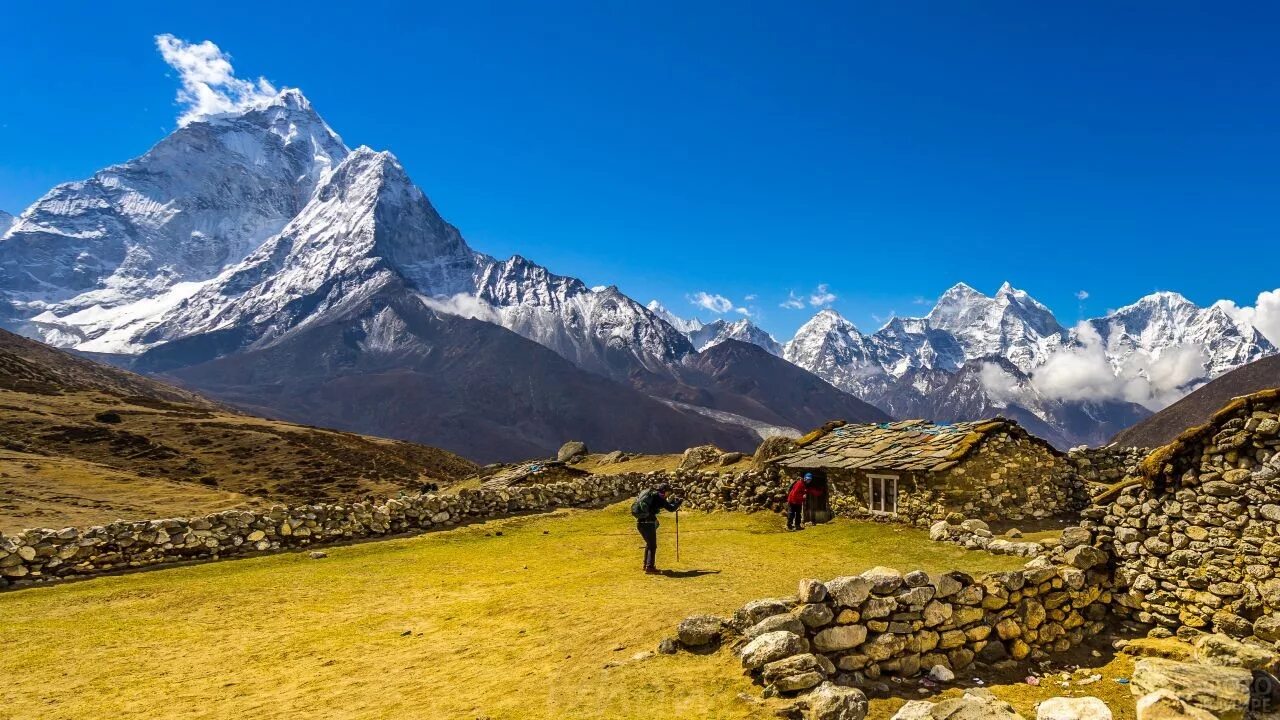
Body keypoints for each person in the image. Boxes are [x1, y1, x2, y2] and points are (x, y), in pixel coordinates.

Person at [631, 482, 683, 573]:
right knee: (652, 546)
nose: (668, 494)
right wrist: (678, 503)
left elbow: (662, 505)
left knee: (649, 544)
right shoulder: (660, 498)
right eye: (668, 492)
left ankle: (646, 565)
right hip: (649, 524)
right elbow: (671, 508)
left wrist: (672, 503)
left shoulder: (652, 496)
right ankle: (650, 567)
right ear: (664, 491)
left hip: (640, 522)